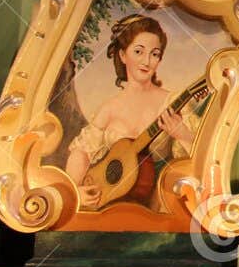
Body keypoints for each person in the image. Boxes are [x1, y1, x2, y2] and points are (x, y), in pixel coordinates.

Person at [64, 14, 195, 209]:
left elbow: (206, 154)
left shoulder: (173, 102)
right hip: (108, 200)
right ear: (123, 55)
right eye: (139, 51)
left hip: (158, 202)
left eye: (155, 54)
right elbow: (81, 152)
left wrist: (183, 134)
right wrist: (75, 191)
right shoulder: (109, 108)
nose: (147, 61)